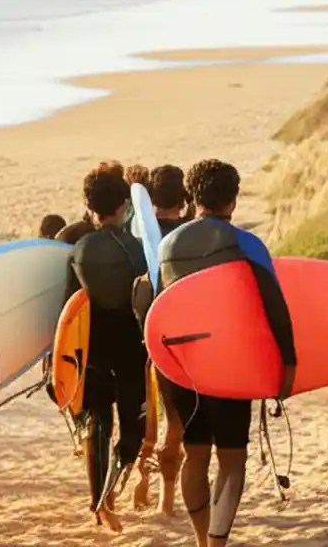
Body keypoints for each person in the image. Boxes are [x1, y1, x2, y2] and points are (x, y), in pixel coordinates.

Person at [153, 160, 297, 547]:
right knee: (232, 461)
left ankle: (202, 541)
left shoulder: (167, 246)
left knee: (195, 454)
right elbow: (275, 307)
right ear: (232, 200)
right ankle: (218, 544)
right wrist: (287, 364)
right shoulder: (245, 244)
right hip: (232, 367)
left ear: (193, 198)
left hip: (184, 369)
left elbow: (155, 310)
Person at [65, 162, 148, 533]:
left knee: (98, 424)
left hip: (91, 345)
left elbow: (69, 306)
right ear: (123, 207)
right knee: (131, 430)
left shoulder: (79, 249)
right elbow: (146, 299)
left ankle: (99, 501)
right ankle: (110, 492)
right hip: (130, 345)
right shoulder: (137, 248)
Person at [134, 164, 190, 515]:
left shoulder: (140, 239)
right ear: (183, 199)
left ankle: (141, 484)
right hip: (186, 341)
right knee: (176, 427)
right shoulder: (189, 236)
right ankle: (168, 501)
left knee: (144, 421)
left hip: (144, 340)